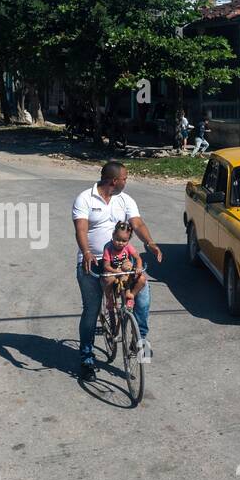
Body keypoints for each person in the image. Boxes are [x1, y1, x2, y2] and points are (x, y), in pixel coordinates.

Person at [73, 161, 163, 381]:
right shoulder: (85, 198)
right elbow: (81, 228)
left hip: (124, 263)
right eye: (125, 178)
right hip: (93, 264)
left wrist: (150, 242)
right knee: (91, 310)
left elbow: (138, 224)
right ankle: (86, 358)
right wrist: (86, 252)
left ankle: (139, 342)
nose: (126, 181)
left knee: (142, 298)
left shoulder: (125, 200)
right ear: (114, 181)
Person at [102, 221, 147, 311]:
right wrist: (116, 271)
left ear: (128, 240)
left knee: (142, 279)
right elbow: (106, 266)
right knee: (108, 280)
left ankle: (130, 296)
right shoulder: (108, 247)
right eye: (118, 239)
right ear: (113, 235)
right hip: (112, 270)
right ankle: (109, 298)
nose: (120, 243)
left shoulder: (128, 247)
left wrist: (138, 267)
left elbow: (138, 258)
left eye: (124, 241)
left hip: (124, 270)